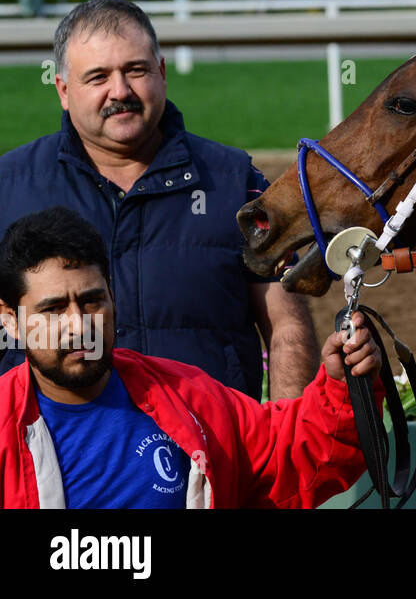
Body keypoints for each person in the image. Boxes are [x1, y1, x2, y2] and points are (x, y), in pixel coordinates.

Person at [0, 0, 317, 400]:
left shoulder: (238, 183)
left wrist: (286, 437)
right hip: (55, 454)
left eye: (136, 70)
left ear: (162, 73)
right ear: (63, 90)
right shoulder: (8, 185)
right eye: (98, 77)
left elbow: (286, 326)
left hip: (208, 450)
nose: (121, 91)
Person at [0, 205, 376, 508]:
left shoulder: (186, 394)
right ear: (11, 322)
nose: (79, 325)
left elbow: (289, 456)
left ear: (112, 296)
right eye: (52, 310)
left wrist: (344, 390)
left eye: (91, 300)